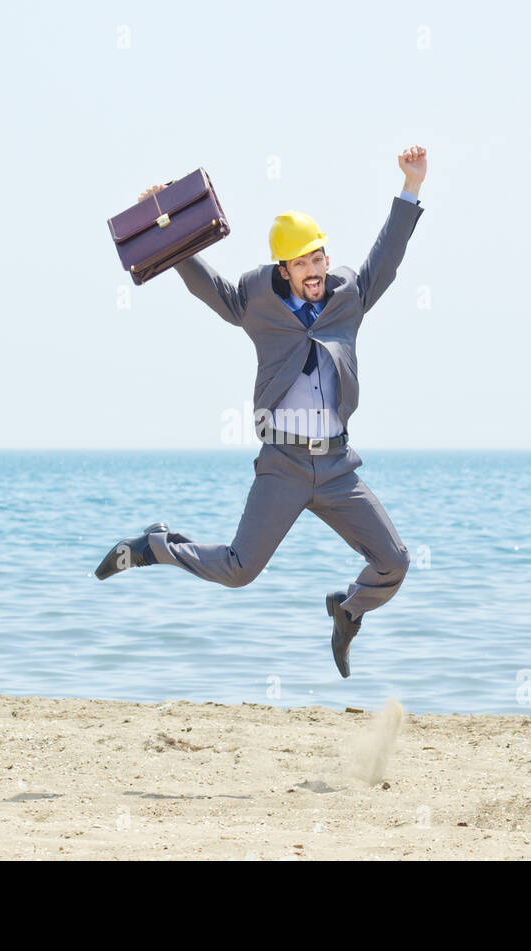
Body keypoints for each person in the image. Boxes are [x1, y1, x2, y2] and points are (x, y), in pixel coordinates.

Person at [96, 146, 428, 678]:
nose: (314, 269)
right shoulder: (256, 299)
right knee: (238, 570)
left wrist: (411, 187)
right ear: (285, 268)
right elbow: (212, 289)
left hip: (338, 467)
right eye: (302, 263)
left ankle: (347, 610)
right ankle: (155, 547)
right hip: (284, 466)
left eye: (318, 257)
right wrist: (168, 232)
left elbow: (385, 256)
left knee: (395, 562)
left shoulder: (348, 295)